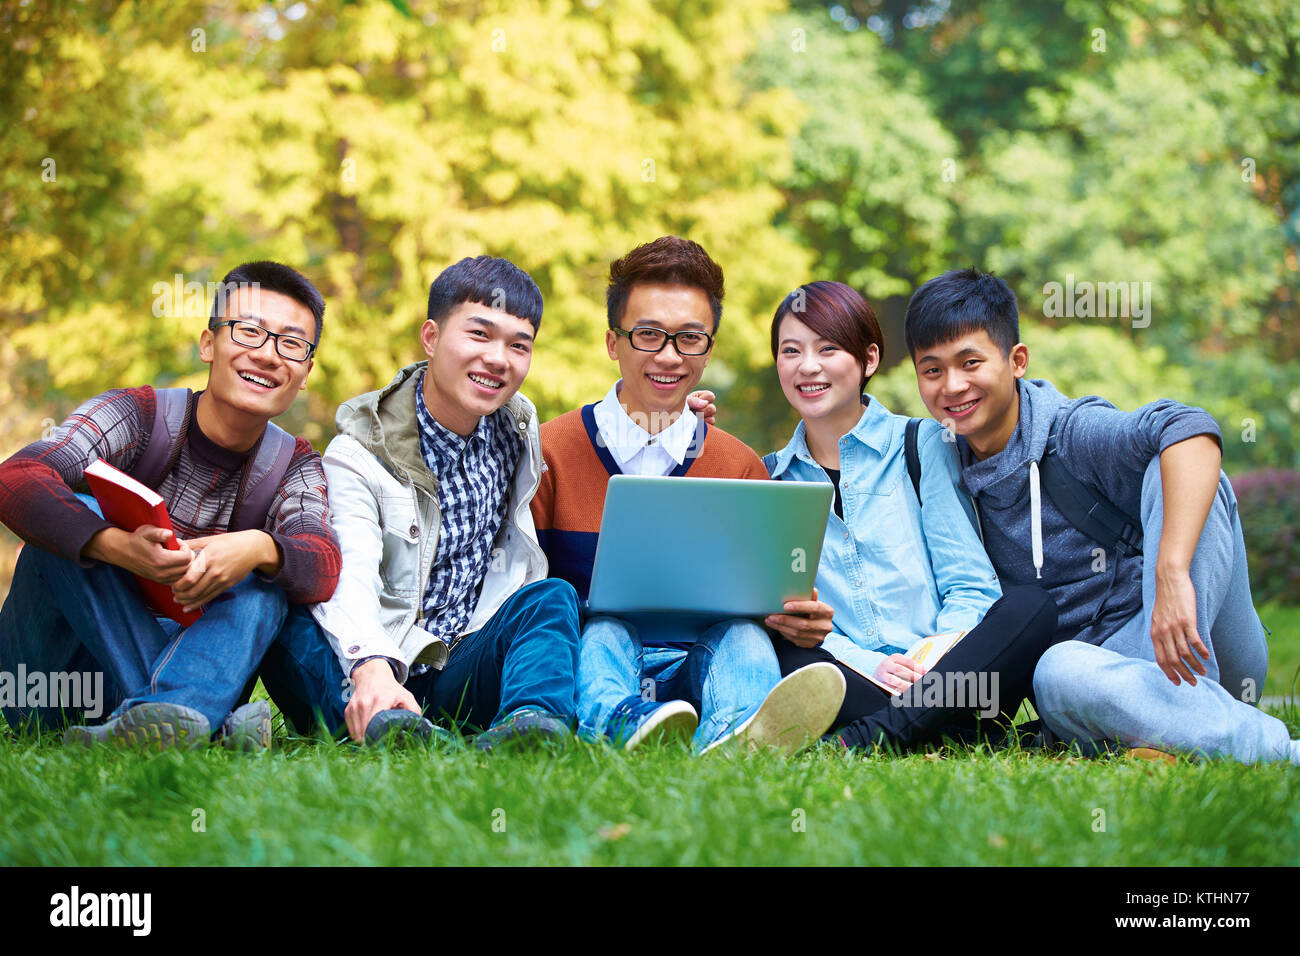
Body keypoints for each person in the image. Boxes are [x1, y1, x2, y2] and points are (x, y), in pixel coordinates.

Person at [904, 267, 1299, 765]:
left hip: (1191, 640)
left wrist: (1171, 574)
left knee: (1178, 466)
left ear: (1016, 360)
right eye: (932, 370)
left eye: (970, 362)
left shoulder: (1071, 433)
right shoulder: (939, 469)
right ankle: (1171, 728)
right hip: (1094, 680)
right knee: (1057, 671)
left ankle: (1269, 749)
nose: (953, 386)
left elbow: (1190, 426)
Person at [0, 261, 340, 750]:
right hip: (60, 684)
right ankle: (199, 722)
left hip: (196, 675)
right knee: (75, 512)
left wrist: (257, 547)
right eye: (249, 332)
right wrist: (115, 546)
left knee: (267, 575)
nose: (268, 355)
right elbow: (17, 476)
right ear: (209, 344)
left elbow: (323, 561)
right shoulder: (137, 415)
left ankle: (166, 721)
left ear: (306, 372)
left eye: (291, 344)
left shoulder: (294, 465)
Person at [531, 237, 846, 755]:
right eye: (649, 335)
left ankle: (736, 736)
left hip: (700, 665)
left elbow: (761, 601)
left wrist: (795, 622)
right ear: (614, 342)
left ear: (709, 347)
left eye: (690, 339)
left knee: (744, 639)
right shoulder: (548, 453)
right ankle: (619, 724)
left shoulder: (740, 466)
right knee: (606, 629)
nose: (670, 357)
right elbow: (526, 596)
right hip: (599, 663)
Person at [259, 255, 585, 751]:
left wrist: (666, 414)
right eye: (479, 334)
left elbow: (589, 438)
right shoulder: (360, 452)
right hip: (369, 663)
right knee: (284, 606)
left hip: (458, 664)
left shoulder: (516, 430)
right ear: (430, 337)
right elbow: (351, 575)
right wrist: (371, 667)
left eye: (519, 346)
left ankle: (531, 726)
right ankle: (388, 723)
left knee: (551, 596)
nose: (499, 359)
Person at [762, 281, 1059, 751]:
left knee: (1031, 608)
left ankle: (869, 739)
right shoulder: (770, 479)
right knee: (776, 644)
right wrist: (868, 662)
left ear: (870, 360)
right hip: (858, 681)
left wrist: (928, 661)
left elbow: (970, 585)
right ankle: (947, 738)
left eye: (828, 348)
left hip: (952, 675)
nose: (808, 366)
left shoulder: (922, 444)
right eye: (790, 351)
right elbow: (797, 621)